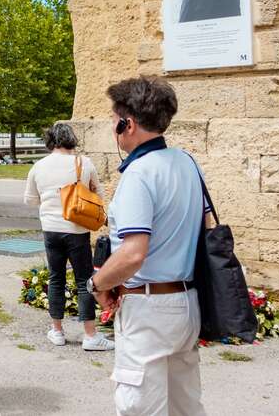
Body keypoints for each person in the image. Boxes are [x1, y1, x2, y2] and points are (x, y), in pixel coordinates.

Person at [88, 76, 208, 415]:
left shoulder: (140, 174)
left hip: (149, 306)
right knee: (184, 404)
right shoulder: (187, 162)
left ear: (129, 124)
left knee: (139, 406)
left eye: (114, 120)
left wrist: (97, 284)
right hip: (185, 300)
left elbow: (133, 253)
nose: (112, 127)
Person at [23, 122, 115, 351]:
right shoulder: (83, 163)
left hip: (51, 229)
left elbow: (30, 200)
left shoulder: (39, 166)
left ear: (50, 141)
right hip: (77, 229)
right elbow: (99, 195)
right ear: (71, 139)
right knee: (85, 281)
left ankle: (57, 331)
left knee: (56, 278)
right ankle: (90, 335)